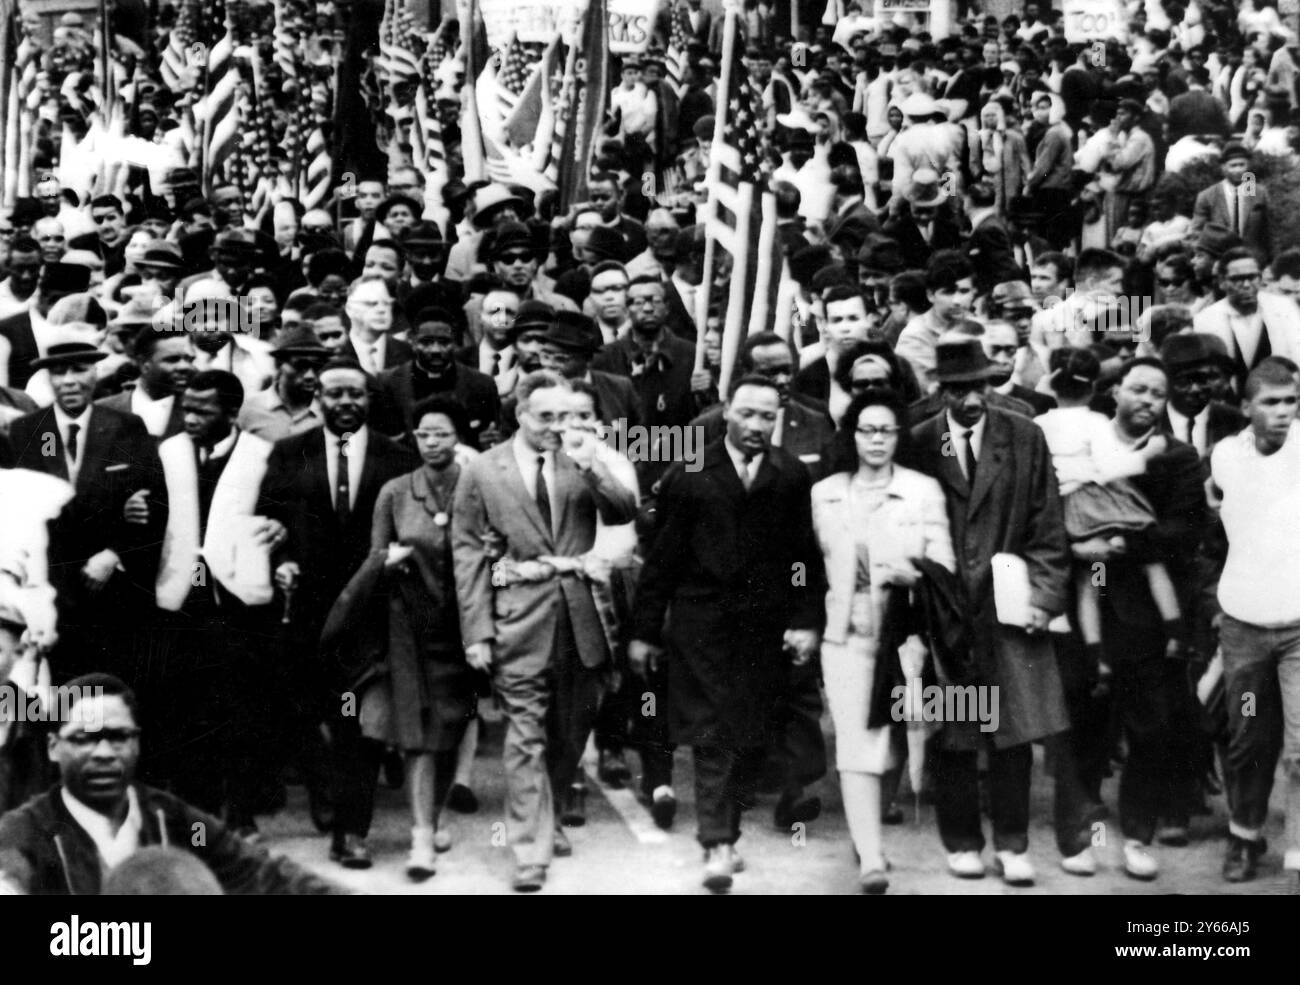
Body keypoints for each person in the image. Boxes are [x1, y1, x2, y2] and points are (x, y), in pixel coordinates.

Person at [630, 374, 825, 891]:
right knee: (712, 731)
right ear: (727, 414)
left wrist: (805, 620)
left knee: (751, 732)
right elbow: (662, 560)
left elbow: (803, 559)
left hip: (764, 625)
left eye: (768, 415)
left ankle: (728, 834)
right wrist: (645, 631)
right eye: (747, 414)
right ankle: (716, 842)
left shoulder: (787, 475)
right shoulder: (691, 471)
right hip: (701, 622)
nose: (757, 425)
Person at [451, 371, 637, 891]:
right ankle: (529, 848)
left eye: (567, 415)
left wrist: (590, 462)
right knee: (525, 735)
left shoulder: (585, 459)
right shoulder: (484, 469)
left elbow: (624, 512)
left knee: (570, 731)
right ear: (521, 415)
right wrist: (476, 632)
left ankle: (550, 813)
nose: (558, 426)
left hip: (581, 618)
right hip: (518, 620)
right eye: (546, 417)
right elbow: (467, 556)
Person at [907, 336, 1070, 887]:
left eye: (978, 385)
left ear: (991, 383)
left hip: (1010, 604)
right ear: (938, 389)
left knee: (1014, 731)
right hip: (944, 607)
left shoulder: (1024, 437)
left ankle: (1014, 843)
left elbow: (1047, 524)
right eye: (956, 388)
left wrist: (1044, 598)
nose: (970, 398)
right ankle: (962, 841)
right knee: (955, 727)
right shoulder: (920, 443)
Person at [256, 359, 420, 869]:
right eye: (336, 394)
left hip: (373, 610)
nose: (346, 403)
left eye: (356, 394)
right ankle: (326, 788)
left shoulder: (398, 458)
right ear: (318, 400)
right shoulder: (288, 453)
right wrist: (280, 559)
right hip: (306, 608)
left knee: (359, 721)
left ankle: (352, 829)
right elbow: (270, 517)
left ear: (369, 400)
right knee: (308, 709)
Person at [0, 675, 342, 895]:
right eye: (84, 739)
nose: (103, 753)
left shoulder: (171, 817)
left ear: (138, 743)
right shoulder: (23, 831)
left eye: (118, 737)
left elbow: (262, 872)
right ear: (53, 747)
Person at [811, 386, 955, 893]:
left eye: (886, 430)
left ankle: (869, 824)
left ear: (898, 436)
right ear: (852, 435)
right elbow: (806, 566)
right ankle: (871, 856)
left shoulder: (922, 490)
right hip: (845, 628)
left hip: (904, 630)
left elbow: (946, 565)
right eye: (866, 430)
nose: (875, 440)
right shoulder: (824, 492)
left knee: (894, 736)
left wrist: (914, 570)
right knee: (856, 739)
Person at [333, 396, 480, 880]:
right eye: (423, 434)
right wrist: (387, 561)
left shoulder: (480, 488)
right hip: (407, 628)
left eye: (441, 433)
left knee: (449, 732)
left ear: (459, 436)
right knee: (418, 735)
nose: (432, 442)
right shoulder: (395, 492)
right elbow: (374, 559)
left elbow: (495, 561)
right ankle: (421, 840)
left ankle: (433, 819)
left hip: (463, 627)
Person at [8, 339, 164, 683]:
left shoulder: (127, 428)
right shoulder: (25, 431)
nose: (69, 380)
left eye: (79, 369)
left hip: (111, 590)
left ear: (96, 373)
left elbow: (154, 504)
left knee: (113, 683)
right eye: (58, 372)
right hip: (50, 591)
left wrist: (113, 554)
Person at [1036, 349, 1187, 698]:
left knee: (1087, 584)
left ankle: (1096, 657)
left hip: (1067, 507)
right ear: (1095, 391)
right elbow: (1111, 467)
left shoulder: (1040, 423)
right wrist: (1147, 453)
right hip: (1100, 501)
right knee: (1152, 563)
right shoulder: (1095, 423)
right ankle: (1176, 632)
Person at [1212, 359, 1300, 884]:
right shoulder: (1227, 456)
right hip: (1244, 627)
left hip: (1299, 627)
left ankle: (1298, 847)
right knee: (1247, 739)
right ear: (1246, 408)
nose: (1284, 412)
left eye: (1292, 401)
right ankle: (1244, 835)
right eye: (1271, 402)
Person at [1195, 247, 1300, 393]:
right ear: (1222, 282)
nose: (1246, 285)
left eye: (1252, 277)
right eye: (1237, 279)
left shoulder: (1283, 308)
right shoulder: (1206, 319)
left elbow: (1297, 355)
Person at [93, 327, 195, 441]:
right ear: (143, 364)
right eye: (172, 360)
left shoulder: (197, 411)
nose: (184, 367)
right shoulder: (104, 409)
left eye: (189, 359)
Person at [237, 326, 329, 443]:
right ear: (279, 365)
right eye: (300, 366)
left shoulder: (326, 412)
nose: (310, 376)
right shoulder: (248, 410)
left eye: (317, 367)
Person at [1190, 143, 1271, 261]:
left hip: (1254, 259)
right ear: (1223, 168)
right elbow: (1196, 233)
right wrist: (1204, 258)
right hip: (1219, 258)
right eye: (1233, 166)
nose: (1238, 170)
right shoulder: (1207, 196)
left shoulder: (1260, 193)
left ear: (1248, 166)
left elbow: (1269, 230)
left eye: (1241, 165)